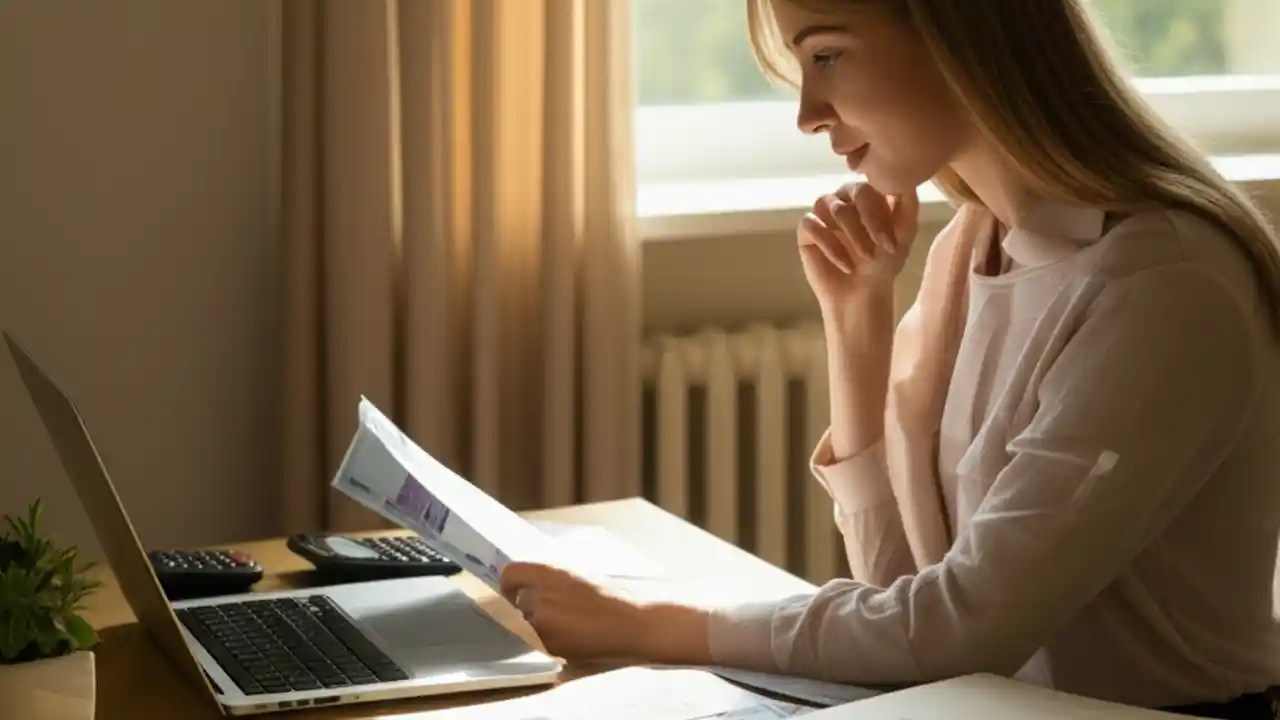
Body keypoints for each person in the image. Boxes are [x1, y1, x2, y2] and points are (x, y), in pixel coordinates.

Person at [499, 1, 1280, 717]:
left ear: (961, 35)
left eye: (827, 57)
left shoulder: (1165, 286)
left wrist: (652, 627)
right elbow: (903, 598)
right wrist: (857, 330)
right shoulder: (972, 248)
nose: (807, 113)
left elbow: (959, 630)